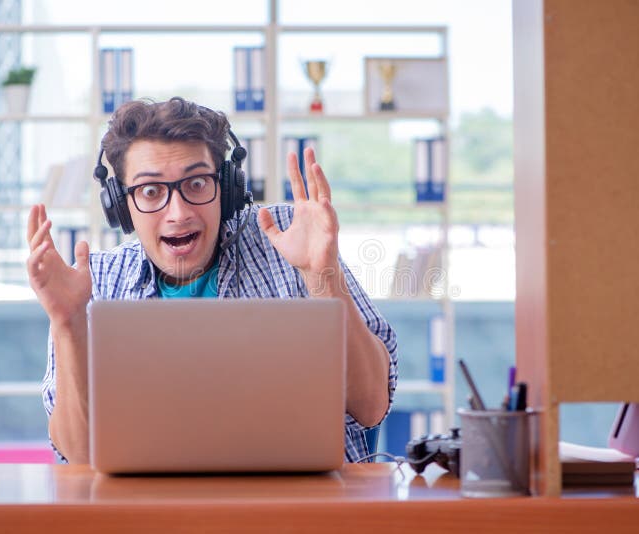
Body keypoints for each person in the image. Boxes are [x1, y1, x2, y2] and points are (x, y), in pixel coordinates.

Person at [27, 97, 398, 464]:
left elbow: (371, 406)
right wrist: (68, 322)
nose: (179, 212)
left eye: (197, 184)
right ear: (122, 207)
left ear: (227, 187)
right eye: (151, 191)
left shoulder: (289, 236)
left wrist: (323, 278)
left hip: (305, 514)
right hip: (156, 517)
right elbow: (79, 454)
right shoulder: (98, 281)